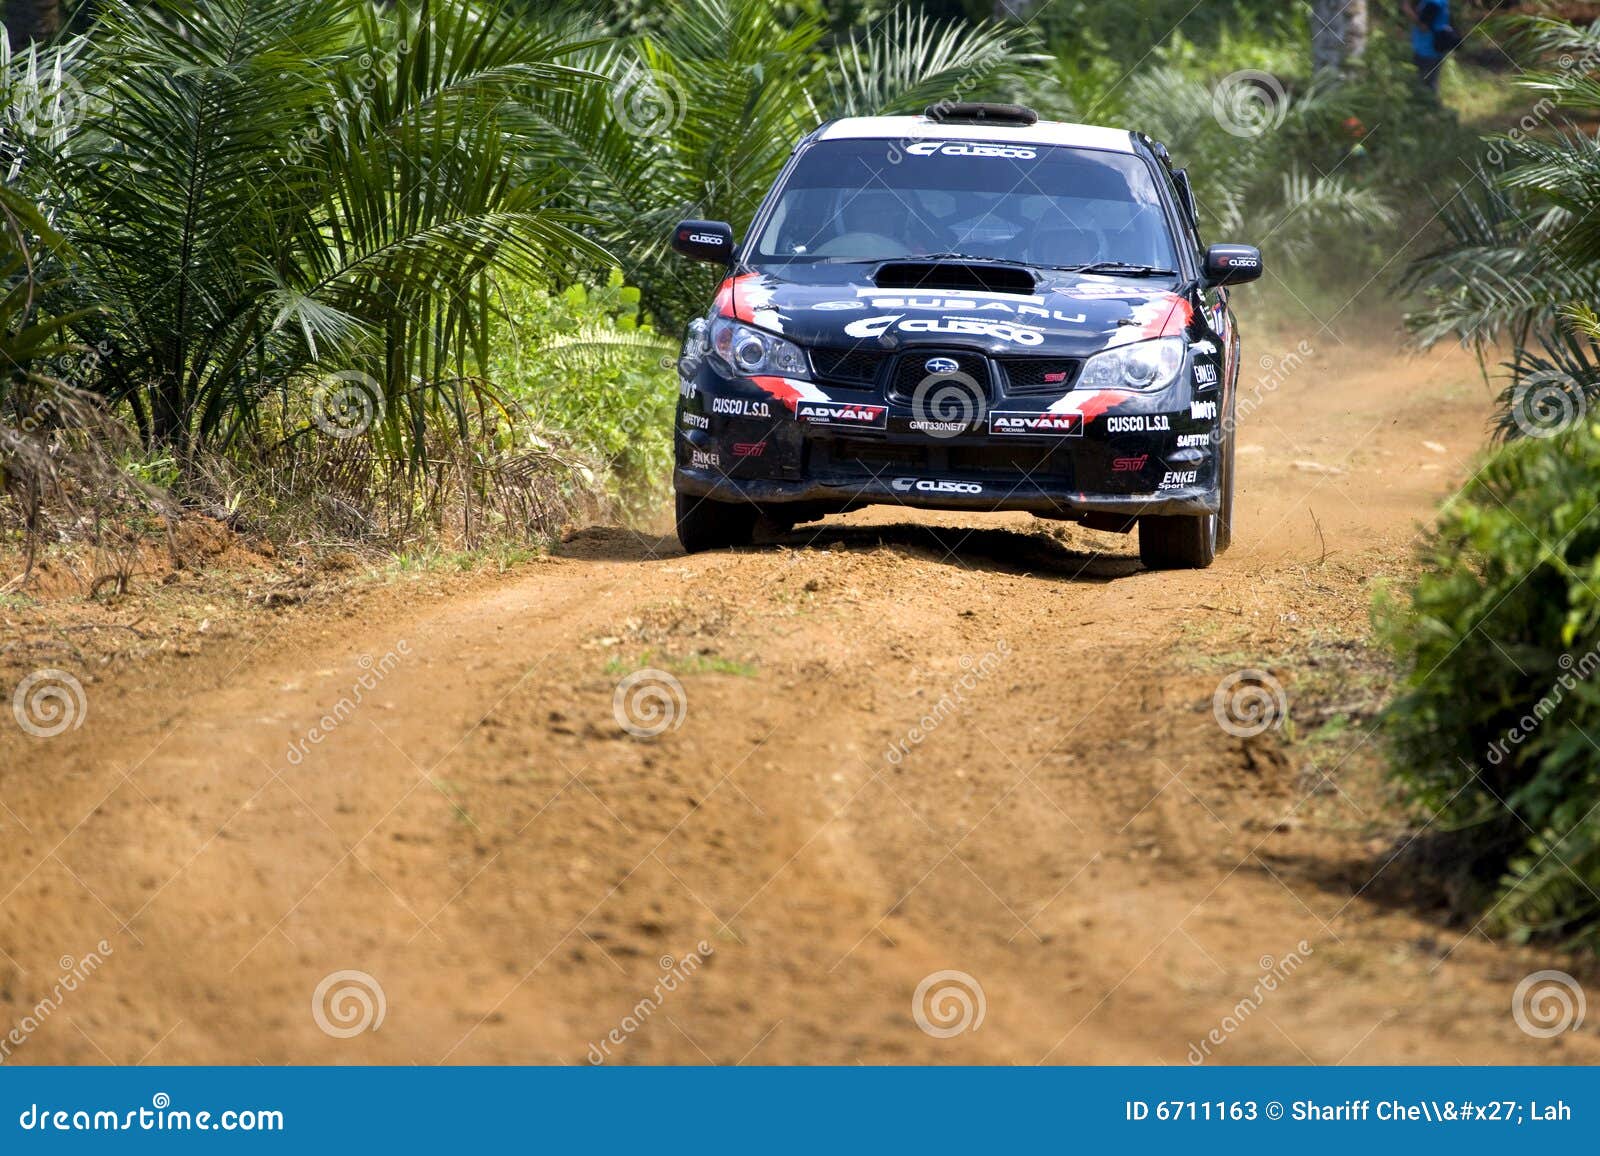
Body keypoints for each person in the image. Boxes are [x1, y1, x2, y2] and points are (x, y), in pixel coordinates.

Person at [1404, 0, 1459, 93]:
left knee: (1426, 84)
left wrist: (1407, 10)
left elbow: (1423, 26)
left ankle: (1430, 104)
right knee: (1431, 81)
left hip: (1427, 49)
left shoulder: (1432, 3)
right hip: (1434, 47)